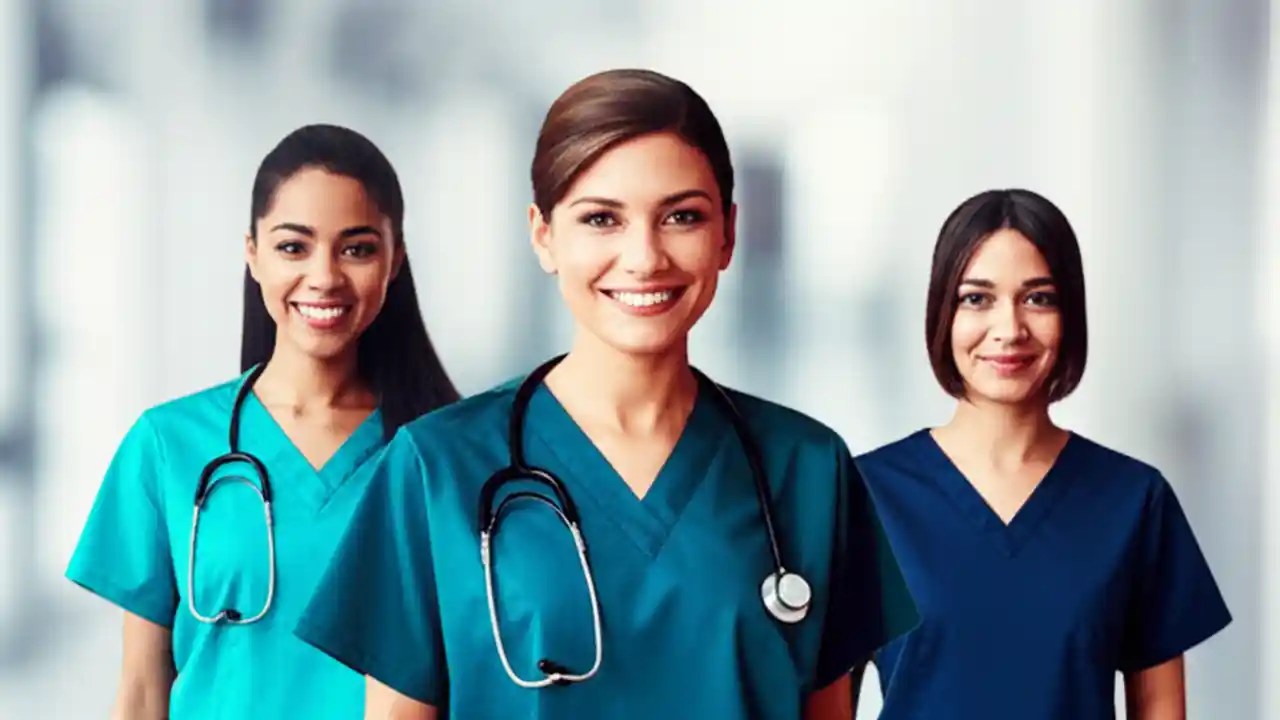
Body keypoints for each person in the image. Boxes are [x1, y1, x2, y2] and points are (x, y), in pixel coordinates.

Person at [293, 69, 917, 720]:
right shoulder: (436, 468)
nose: (644, 257)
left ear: (727, 233)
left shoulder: (807, 469)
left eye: (681, 216)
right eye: (601, 219)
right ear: (543, 235)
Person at [65, 124, 459, 719]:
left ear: (395, 259)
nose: (324, 276)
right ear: (252, 254)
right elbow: (143, 690)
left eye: (356, 248)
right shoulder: (168, 446)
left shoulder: (442, 453)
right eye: (293, 246)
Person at [856, 188, 1232, 718]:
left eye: (1038, 298)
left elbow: (1162, 709)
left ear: (1070, 313)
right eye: (976, 298)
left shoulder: (1134, 502)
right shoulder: (864, 496)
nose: (1009, 330)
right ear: (943, 311)